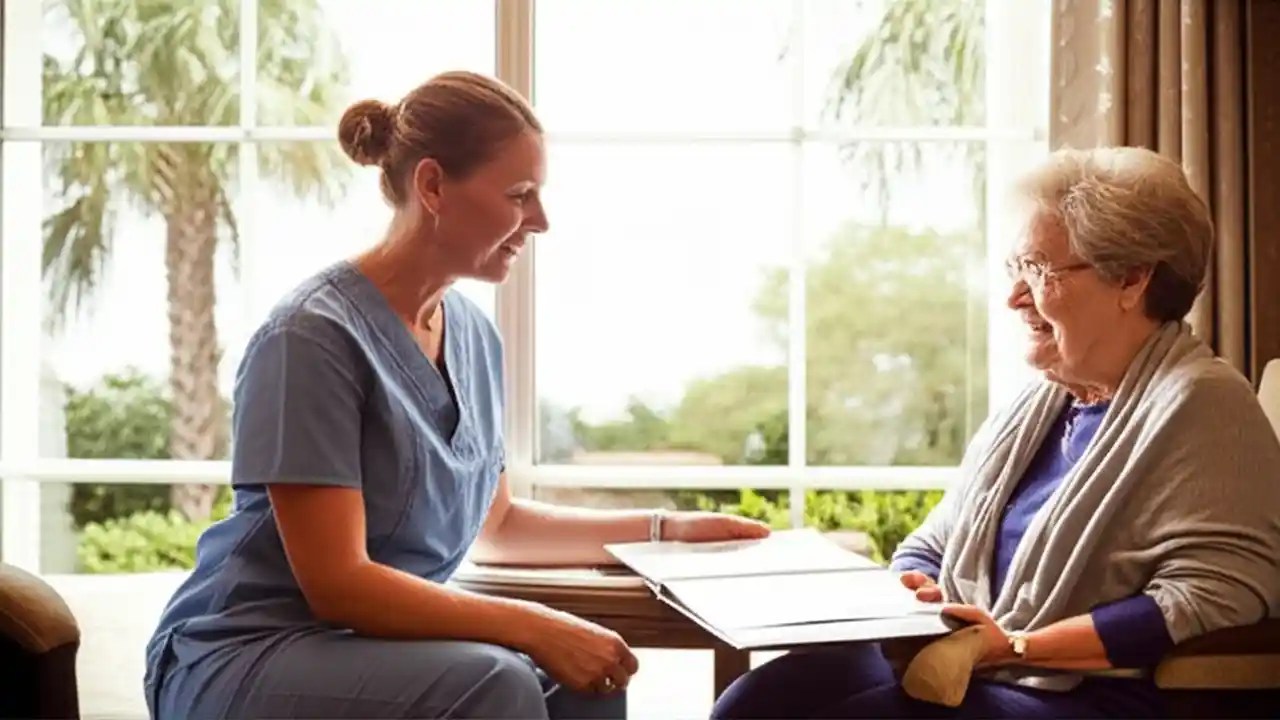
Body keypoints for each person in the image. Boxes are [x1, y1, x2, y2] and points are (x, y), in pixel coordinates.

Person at [142, 70, 770, 720]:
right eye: (520, 194)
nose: (541, 221)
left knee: (587, 675)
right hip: (247, 651)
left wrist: (666, 529)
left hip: (378, 650)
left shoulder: (471, 332)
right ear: (433, 185)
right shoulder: (309, 338)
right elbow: (338, 585)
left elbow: (499, 527)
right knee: (498, 678)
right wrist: (534, 624)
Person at [711, 146, 1280, 719]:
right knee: (754, 704)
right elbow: (931, 544)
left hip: (1095, 690)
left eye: (1038, 270)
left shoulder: (1204, 401)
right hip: (968, 659)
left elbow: (1213, 596)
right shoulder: (1037, 405)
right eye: (1016, 269)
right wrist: (919, 592)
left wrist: (1013, 647)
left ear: (1131, 279)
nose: (1014, 297)